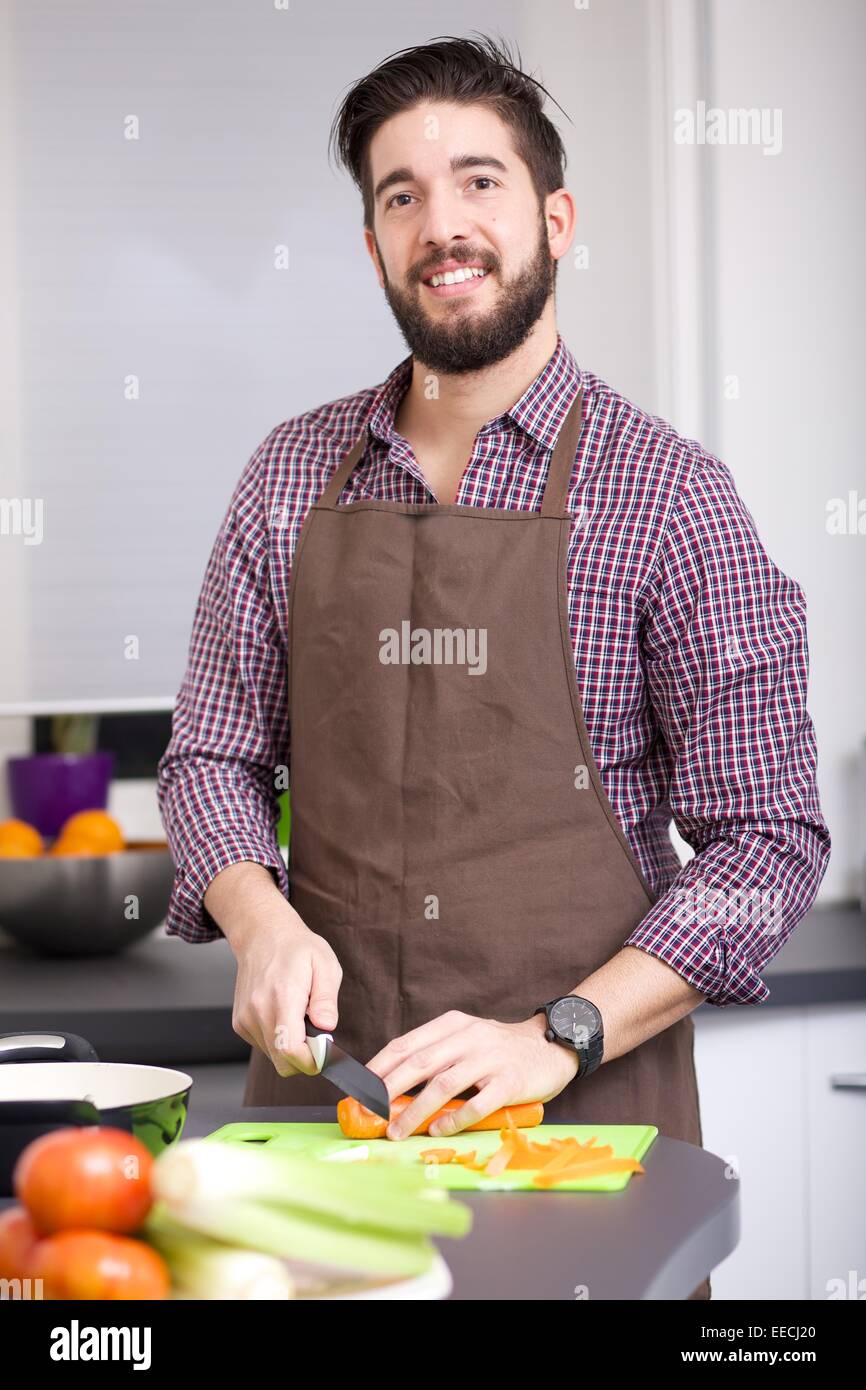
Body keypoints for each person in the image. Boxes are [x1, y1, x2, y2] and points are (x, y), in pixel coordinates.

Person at [157, 35, 831, 1302]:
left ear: (553, 217)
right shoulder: (287, 478)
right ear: (371, 244)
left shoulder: (670, 497)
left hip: (584, 1120)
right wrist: (258, 921)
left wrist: (555, 1036)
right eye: (399, 194)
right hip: (326, 1122)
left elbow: (767, 838)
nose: (438, 224)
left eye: (477, 182)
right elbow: (210, 757)